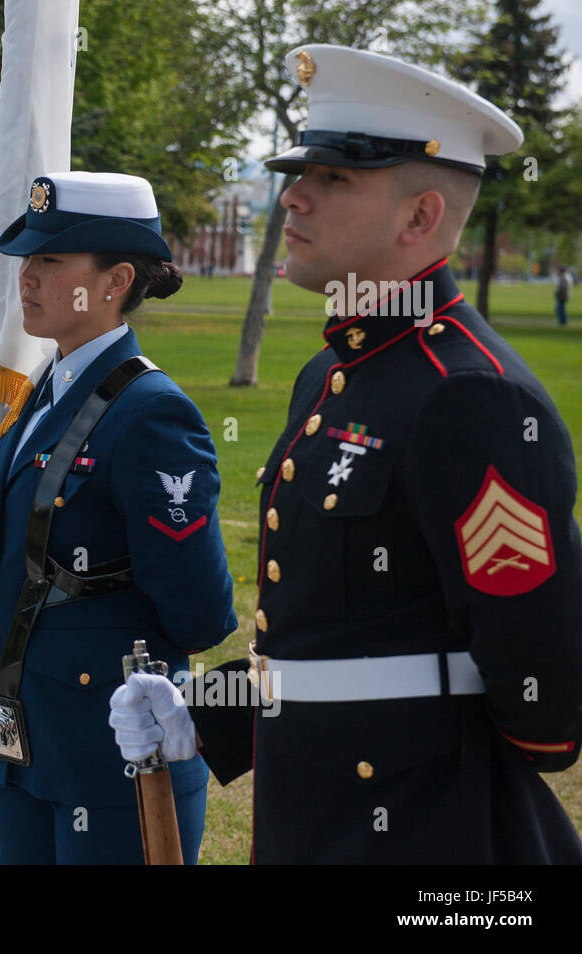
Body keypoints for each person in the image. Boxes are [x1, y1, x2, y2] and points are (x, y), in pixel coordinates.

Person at [109, 44, 582, 863]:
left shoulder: (468, 396)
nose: (293, 195)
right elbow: (336, 636)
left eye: (334, 179)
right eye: (301, 173)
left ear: (420, 217)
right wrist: (210, 708)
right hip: (317, 817)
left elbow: (543, 695)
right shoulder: (332, 374)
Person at [0, 171, 236, 865]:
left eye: (51, 260)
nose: (27, 278)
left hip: (109, 763)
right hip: (23, 749)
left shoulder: (151, 412)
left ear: (114, 280)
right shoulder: (49, 386)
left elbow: (198, 615)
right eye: (26, 260)